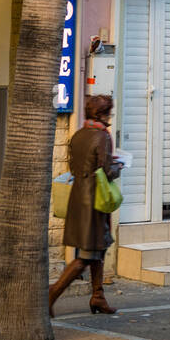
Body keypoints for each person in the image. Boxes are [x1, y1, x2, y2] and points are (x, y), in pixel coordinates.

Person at [48, 93, 123, 315]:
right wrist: (118, 167)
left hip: (79, 198)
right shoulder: (102, 136)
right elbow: (106, 170)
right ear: (101, 114)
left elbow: (76, 166)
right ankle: (51, 294)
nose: (110, 115)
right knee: (87, 256)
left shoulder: (79, 134)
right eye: (108, 112)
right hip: (94, 202)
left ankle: (98, 296)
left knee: (96, 249)